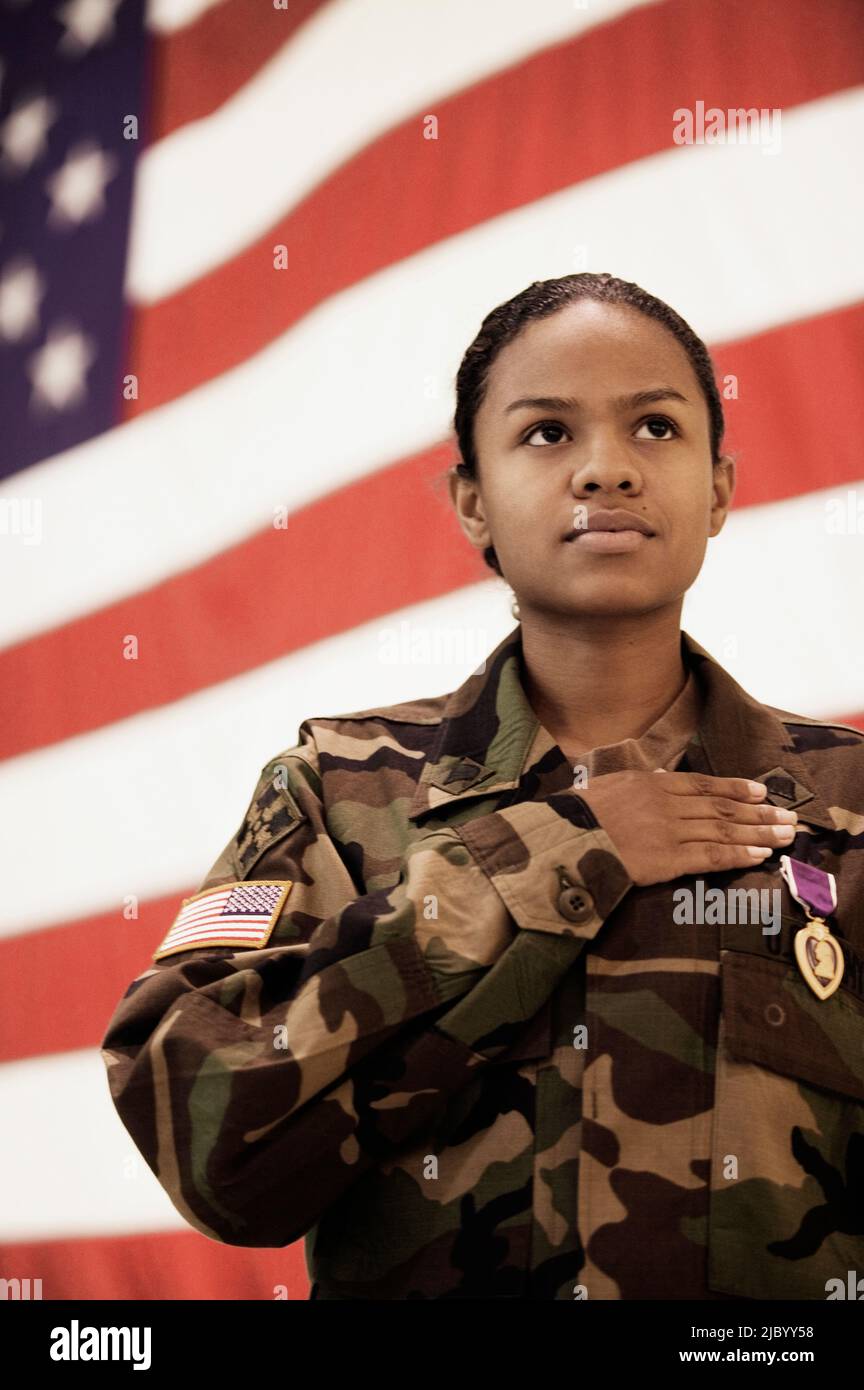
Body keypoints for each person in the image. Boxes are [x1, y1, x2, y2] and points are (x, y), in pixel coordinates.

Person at [100, 272, 864, 1301]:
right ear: (473, 500)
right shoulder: (338, 791)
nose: (607, 469)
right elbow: (202, 1139)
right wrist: (545, 860)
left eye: (655, 427)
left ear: (720, 488)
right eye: (547, 433)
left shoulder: (843, 805)